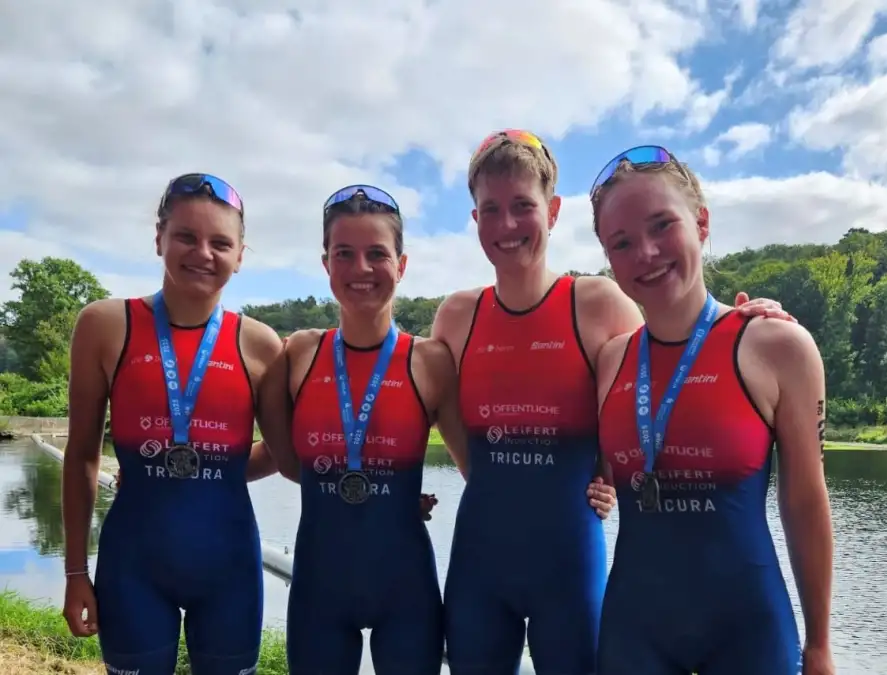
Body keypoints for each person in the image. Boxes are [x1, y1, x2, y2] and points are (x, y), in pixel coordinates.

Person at [431, 130, 792, 675]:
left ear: (553, 211)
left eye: (523, 206)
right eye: (491, 210)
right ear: (475, 218)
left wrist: (740, 320)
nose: (507, 224)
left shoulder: (599, 303)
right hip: (479, 566)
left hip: (568, 567)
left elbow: (665, 370)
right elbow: (448, 425)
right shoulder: (456, 317)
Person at [586, 145, 834, 675]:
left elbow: (806, 503)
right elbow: (590, 466)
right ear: (608, 255)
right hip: (636, 633)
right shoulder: (610, 360)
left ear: (701, 223)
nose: (646, 252)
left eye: (662, 225)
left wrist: (819, 646)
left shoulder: (778, 346)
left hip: (749, 632)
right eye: (622, 242)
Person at [61, 173, 284, 675]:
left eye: (220, 243)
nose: (202, 253)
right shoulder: (104, 325)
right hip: (132, 569)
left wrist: (212, 468)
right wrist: (76, 572)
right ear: (159, 237)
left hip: (230, 571)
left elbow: (282, 453)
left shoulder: (260, 344)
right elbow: (82, 457)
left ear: (240, 255)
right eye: (186, 236)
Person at [256, 185, 461, 675]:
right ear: (325, 264)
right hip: (319, 591)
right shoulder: (299, 353)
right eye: (344, 254)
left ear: (401, 265)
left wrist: (590, 478)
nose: (360, 268)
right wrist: (169, 479)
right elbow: (284, 460)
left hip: (406, 591)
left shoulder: (432, 361)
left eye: (377, 254)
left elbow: (479, 469)